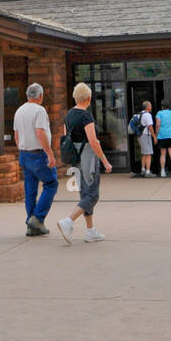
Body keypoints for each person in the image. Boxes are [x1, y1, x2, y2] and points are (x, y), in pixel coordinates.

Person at [57, 82, 113, 244]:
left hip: (75, 158)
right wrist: (105, 161)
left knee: (85, 193)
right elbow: (93, 141)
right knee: (93, 194)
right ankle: (68, 221)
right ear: (88, 98)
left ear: (76, 97)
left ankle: (90, 231)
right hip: (88, 157)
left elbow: (68, 137)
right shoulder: (86, 116)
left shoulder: (68, 115)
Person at [14, 83, 56, 236]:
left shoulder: (19, 111)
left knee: (30, 190)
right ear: (40, 96)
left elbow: (16, 136)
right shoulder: (39, 110)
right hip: (39, 154)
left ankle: (31, 225)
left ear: (27, 95)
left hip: (24, 154)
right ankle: (37, 218)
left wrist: (22, 149)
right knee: (51, 183)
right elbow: (40, 133)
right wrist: (50, 154)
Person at [156, 99, 171, 177]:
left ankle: (163, 171)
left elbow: (157, 125)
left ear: (162, 106)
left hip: (162, 135)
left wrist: (156, 134)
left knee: (163, 154)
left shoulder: (159, 113)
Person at [134, 100, 155, 177]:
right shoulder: (147, 115)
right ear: (148, 107)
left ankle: (143, 170)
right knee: (148, 153)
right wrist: (154, 137)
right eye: (150, 105)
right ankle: (148, 172)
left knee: (144, 153)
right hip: (145, 135)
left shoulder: (140, 114)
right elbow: (150, 127)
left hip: (140, 136)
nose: (151, 106)